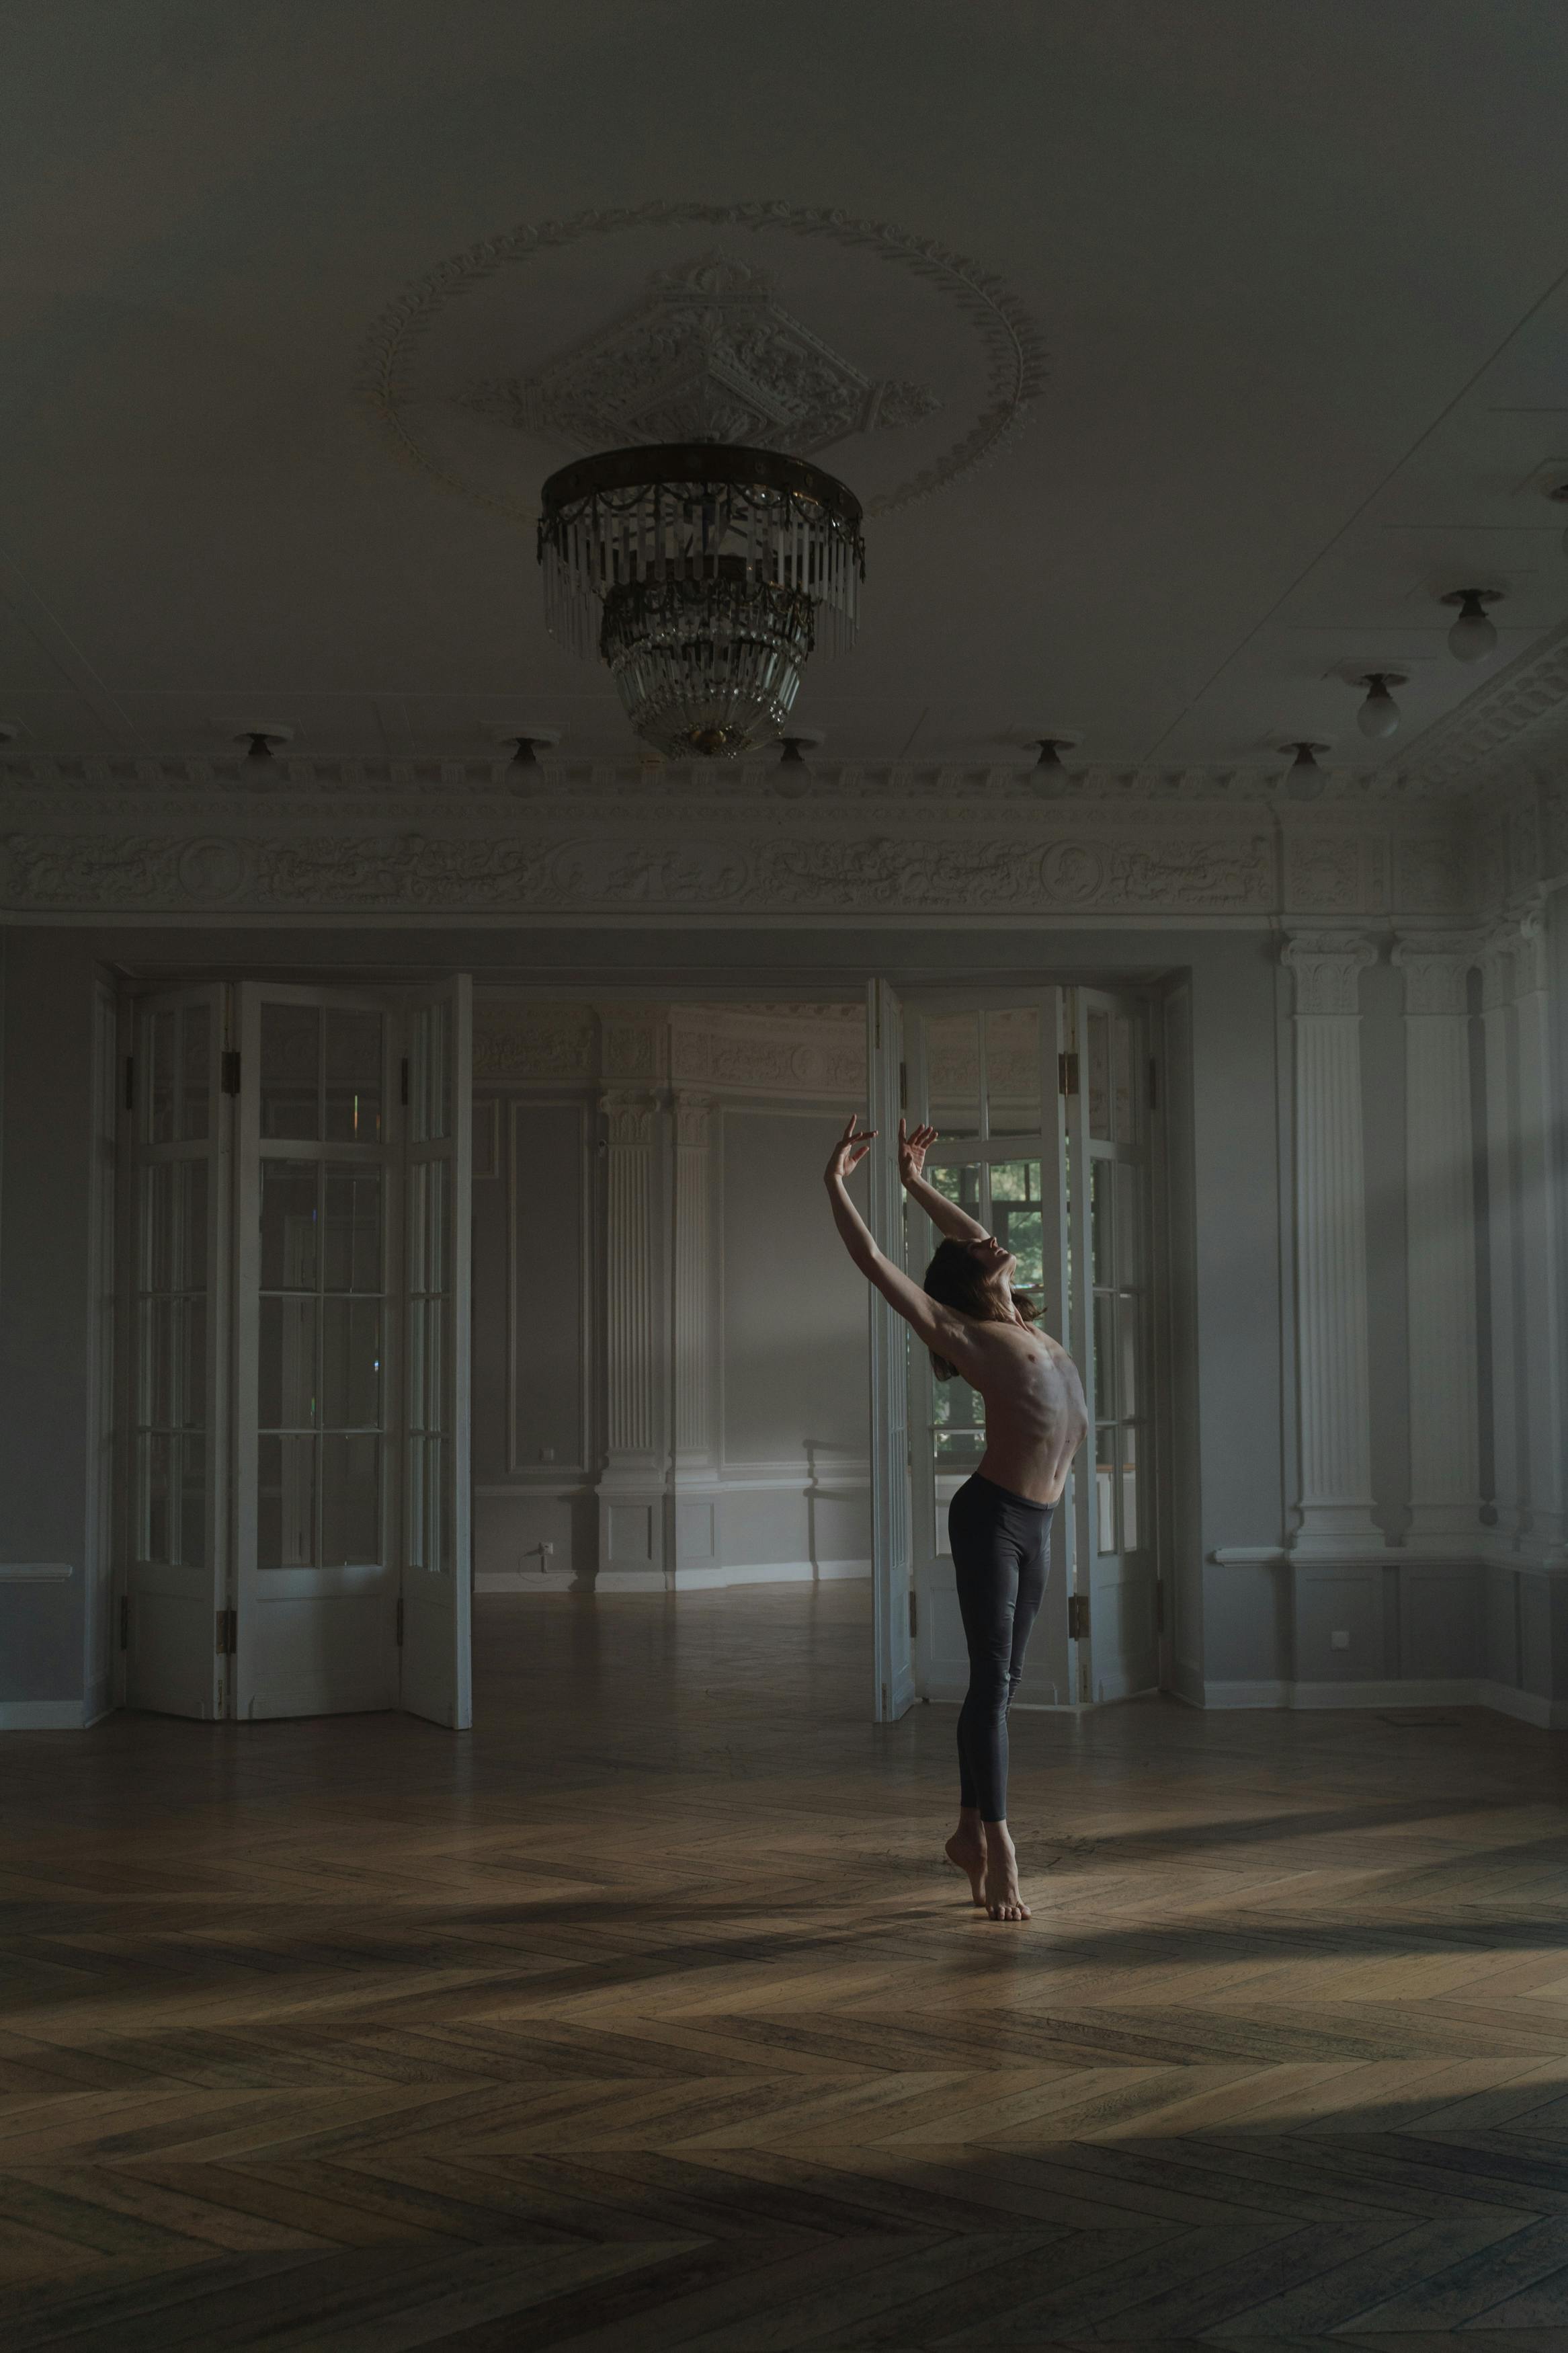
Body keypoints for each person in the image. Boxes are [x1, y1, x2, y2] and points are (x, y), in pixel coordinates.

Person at [824, 1112, 1088, 1922]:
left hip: (1036, 1523)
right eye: (980, 1246)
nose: (989, 1236)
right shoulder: (967, 1333)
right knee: (991, 1686)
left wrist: (912, 1182)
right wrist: (836, 1183)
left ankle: (968, 1831)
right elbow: (874, 1261)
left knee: (1000, 1685)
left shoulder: (1024, 1326)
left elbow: (968, 1237)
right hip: (994, 1519)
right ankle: (999, 1847)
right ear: (968, 1279)